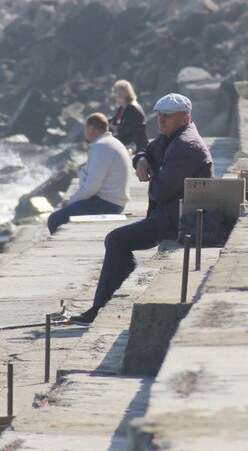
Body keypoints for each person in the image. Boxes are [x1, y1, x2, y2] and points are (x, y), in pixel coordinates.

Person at [69, 93, 213, 325]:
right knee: (117, 242)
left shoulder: (186, 145)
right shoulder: (171, 137)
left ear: (185, 119)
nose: (161, 121)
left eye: (167, 117)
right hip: (168, 214)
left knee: (116, 240)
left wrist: (151, 173)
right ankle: (112, 292)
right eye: (159, 116)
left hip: (180, 220)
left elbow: (161, 191)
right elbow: (145, 151)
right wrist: (144, 162)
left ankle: (98, 309)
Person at [47, 113, 130, 234]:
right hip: (113, 202)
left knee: (54, 219)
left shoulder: (102, 147)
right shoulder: (111, 143)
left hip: (107, 204)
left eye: (85, 128)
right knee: (63, 214)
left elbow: (91, 188)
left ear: (91, 128)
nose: (84, 132)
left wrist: (71, 201)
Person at [109, 79, 148, 151]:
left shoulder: (132, 108)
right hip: (127, 144)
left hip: (135, 147)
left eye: (116, 94)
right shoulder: (122, 108)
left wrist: (111, 127)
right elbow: (113, 121)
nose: (115, 97)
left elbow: (125, 129)